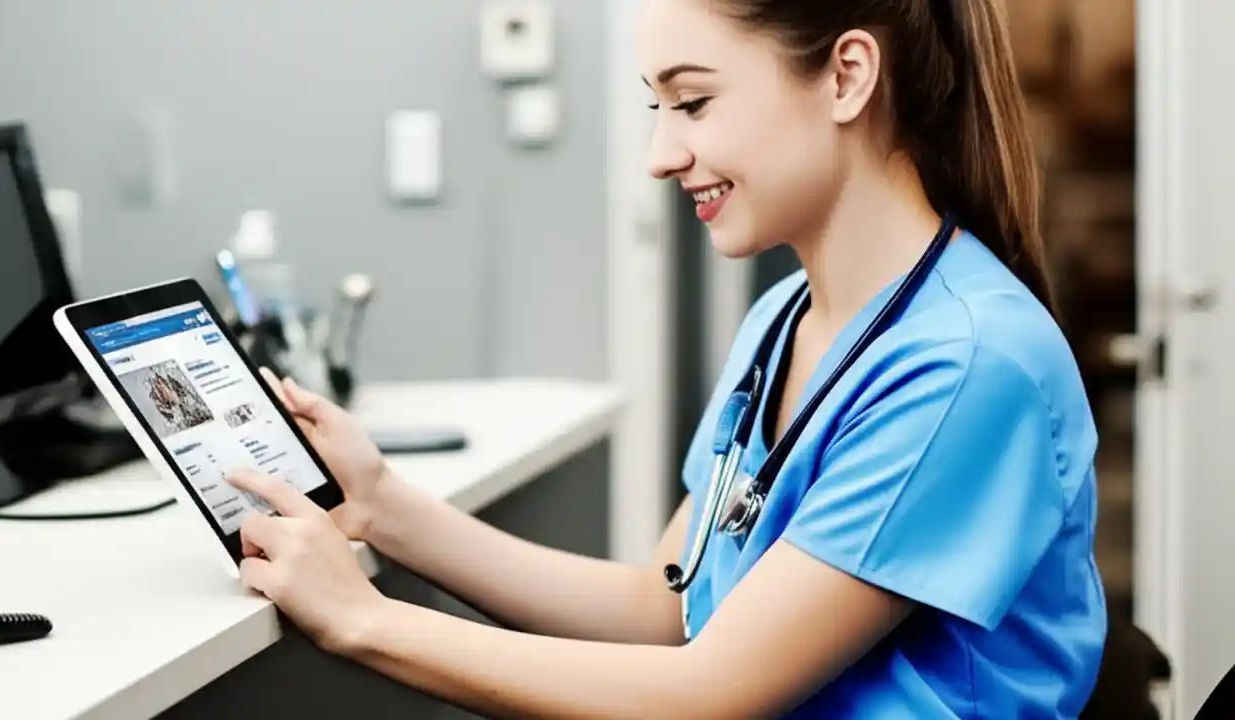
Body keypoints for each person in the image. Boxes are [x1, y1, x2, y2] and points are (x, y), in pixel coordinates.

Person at [227, 0, 1107, 715]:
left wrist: (364, 621)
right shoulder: (783, 322)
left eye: (692, 103)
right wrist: (384, 508)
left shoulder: (967, 363)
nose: (661, 156)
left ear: (847, 76)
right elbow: (662, 608)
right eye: (659, 109)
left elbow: (707, 692)